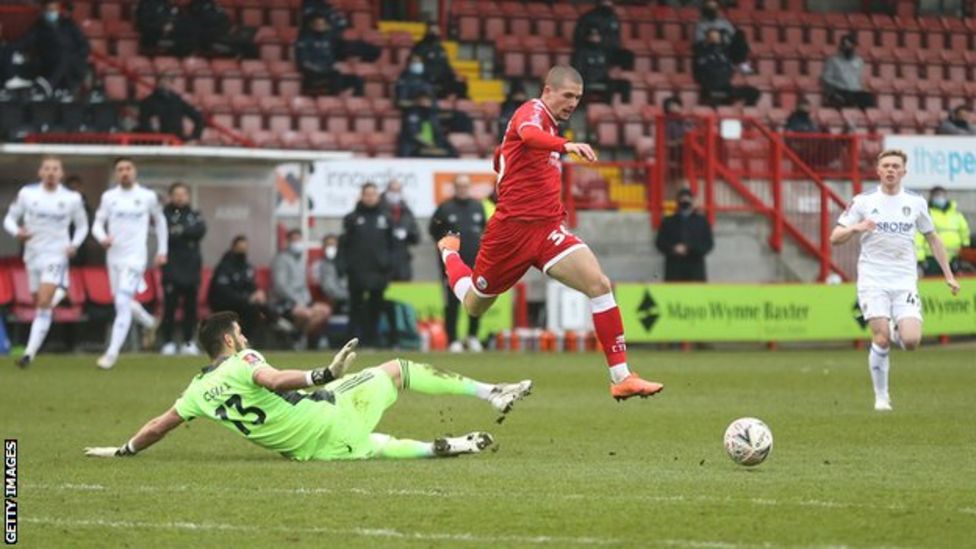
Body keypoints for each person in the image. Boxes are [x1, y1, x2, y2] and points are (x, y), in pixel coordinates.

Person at [436, 65, 663, 400]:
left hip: (547, 230)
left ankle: (621, 376)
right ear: (548, 91)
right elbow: (527, 135)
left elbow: (508, 156)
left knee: (599, 284)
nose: (573, 103)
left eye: (578, 98)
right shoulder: (531, 111)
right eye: (568, 95)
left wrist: (508, 160)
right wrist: (564, 145)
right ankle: (449, 253)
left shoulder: (550, 126)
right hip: (509, 234)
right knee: (473, 306)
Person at [83, 311, 534, 461]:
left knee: (374, 445)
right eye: (240, 332)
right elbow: (274, 379)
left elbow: (159, 426)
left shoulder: (196, 392)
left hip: (310, 453)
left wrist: (124, 450)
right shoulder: (243, 360)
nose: (246, 337)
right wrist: (323, 374)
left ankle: (440, 447)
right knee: (398, 368)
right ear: (228, 340)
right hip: (326, 411)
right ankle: (490, 391)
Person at [830, 149, 960, 412]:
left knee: (911, 341)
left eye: (895, 166)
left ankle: (899, 329)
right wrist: (856, 228)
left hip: (904, 280)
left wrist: (948, 275)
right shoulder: (863, 201)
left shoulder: (916, 202)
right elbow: (835, 237)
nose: (890, 170)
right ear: (878, 171)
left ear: (904, 171)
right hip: (873, 279)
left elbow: (932, 238)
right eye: (886, 165)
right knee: (880, 337)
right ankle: (882, 397)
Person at [3, 156, 88, 368]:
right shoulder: (27, 194)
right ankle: (63, 288)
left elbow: (82, 226)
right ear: (40, 172)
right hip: (32, 255)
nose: (51, 172)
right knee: (39, 301)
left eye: (55, 169)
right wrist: (17, 232)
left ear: (61, 174)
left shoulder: (72, 198)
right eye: (47, 168)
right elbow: (9, 220)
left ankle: (28, 355)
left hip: (56, 255)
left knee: (42, 303)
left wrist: (74, 244)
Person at [91, 157, 168, 370]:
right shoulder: (109, 197)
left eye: (128, 168)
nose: (124, 172)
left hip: (136, 259)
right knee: (121, 301)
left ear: (135, 172)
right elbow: (97, 224)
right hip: (114, 257)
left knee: (122, 304)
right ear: (116, 174)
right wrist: (102, 237)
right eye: (120, 169)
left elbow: (160, 222)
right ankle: (150, 322)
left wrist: (162, 250)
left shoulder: (147, 196)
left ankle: (111, 354)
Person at [429, 175, 487, 353]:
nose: (463, 189)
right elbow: (433, 230)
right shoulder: (445, 208)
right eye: (459, 186)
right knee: (452, 303)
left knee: (477, 300)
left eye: (466, 186)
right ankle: (453, 339)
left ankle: (472, 336)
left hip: (475, 263)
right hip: (453, 266)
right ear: (454, 188)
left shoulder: (478, 207)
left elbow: (484, 230)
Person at [340, 183, 394, 347]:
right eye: (367, 194)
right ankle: (351, 340)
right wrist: (343, 265)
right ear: (361, 196)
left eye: (373, 194)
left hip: (378, 272)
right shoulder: (352, 218)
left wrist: (389, 265)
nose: (370, 197)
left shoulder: (386, 218)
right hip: (357, 271)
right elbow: (344, 245)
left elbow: (392, 245)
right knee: (356, 306)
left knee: (375, 307)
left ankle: (373, 340)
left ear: (378, 197)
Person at [159, 182, 206, 356]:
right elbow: (166, 234)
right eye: (176, 194)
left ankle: (188, 341)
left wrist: (180, 231)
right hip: (171, 267)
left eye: (183, 194)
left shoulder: (194, 214)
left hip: (192, 268)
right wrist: (183, 232)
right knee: (170, 307)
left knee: (190, 308)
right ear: (170, 196)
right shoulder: (164, 214)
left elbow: (200, 231)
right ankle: (168, 342)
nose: (180, 197)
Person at [208, 235, 275, 343]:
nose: (243, 251)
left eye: (245, 248)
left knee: (263, 307)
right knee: (251, 309)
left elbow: (251, 285)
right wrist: (247, 298)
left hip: (243, 302)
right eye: (240, 248)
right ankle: (243, 341)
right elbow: (224, 293)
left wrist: (257, 293)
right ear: (234, 248)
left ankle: (278, 331)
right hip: (224, 303)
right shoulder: (224, 267)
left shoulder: (247, 267)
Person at [271, 229, 331, 348]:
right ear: (287, 242)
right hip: (285, 302)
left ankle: (300, 335)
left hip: (303, 301)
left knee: (325, 310)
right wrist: (296, 301)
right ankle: (297, 337)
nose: (297, 243)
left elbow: (303, 285)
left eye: (299, 240)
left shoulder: (302, 260)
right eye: (294, 240)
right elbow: (280, 286)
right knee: (306, 314)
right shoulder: (281, 259)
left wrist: (307, 301)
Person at [19, 1, 90, 97]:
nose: (51, 12)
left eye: (53, 10)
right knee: (63, 56)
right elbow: (25, 41)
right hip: (49, 60)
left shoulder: (69, 24)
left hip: (74, 61)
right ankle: (64, 91)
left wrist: (75, 56)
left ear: (58, 10)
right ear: (44, 11)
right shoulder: (39, 26)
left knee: (65, 56)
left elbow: (84, 46)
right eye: (49, 10)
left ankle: (48, 85)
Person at [294, 14, 363, 96]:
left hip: (330, 74)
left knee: (357, 80)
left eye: (323, 25)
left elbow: (341, 29)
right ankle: (333, 101)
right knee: (334, 76)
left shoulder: (328, 41)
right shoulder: (305, 41)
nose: (321, 27)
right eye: (318, 25)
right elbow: (303, 63)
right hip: (313, 77)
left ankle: (356, 104)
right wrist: (321, 70)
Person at [654, 188, 714, 282]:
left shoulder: (701, 221)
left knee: (695, 295)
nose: (685, 203)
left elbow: (708, 244)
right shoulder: (668, 221)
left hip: (695, 268)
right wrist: (674, 248)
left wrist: (689, 247)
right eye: (682, 200)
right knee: (674, 296)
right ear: (677, 202)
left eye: (687, 200)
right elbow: (659, 242)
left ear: (692, 202)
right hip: (674, 268)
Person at [693, 29, 759, 107]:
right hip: (710, 90)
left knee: (754, 93)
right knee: (717, 97)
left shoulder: (726, 53)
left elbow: (742, 65)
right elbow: (698, 74)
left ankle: (746, 114)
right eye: (712, 37)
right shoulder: (702, 53)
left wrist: (746, 70)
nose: (715, 39)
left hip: (726, 89)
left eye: (717, 37)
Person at [915, 186, 971, 276]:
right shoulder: (927, 214)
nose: (940, 198)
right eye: (937, 196)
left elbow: (964, 232)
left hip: (953, 258)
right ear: (931, 197)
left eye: (941, 195)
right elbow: (919, 237)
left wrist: (964, 249)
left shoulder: (956, 214)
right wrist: (920, 259)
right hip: (932, 258)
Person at [138, 73, 205, 142]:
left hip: (177, 141)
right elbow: (144, 123)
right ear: (157, 83)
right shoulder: (148, 102)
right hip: (158, 143)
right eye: (163, 81)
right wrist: (155, 139)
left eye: (169, 81)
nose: (165, 83)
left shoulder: (178, 100)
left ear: (172, 84)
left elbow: (198, 117)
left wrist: (194, 137)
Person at [571, 27, 631, 104]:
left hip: (603, 78)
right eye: (592, 36)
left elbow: (608, 66)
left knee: (625, 84)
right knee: (609, 85)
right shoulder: (581, 52)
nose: (595, 38)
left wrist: (610, 72)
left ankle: (624, 107)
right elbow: (578, 69)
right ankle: (606, 106)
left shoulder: (603, 51)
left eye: (597, 36)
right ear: (587, 37)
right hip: (587, 79)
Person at [573, 0, 634, 71]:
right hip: (595, 49)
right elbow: (579, 37)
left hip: (611, 49)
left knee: (627, 55)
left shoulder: (613, 17)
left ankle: (621, 76)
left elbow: (616, 37)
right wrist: (591, 39)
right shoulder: (588, 17)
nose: (608, 3)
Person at [410, 24, 467, 99]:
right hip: (428, 78)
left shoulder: (440, 48)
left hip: (443, 79)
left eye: (436, 31)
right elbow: (415, 66)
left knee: (461, 84)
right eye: (432, 31)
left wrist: (455, 75)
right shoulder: (420, 46)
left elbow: (447, 65)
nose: (435, 33)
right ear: (427, 32)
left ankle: (454, 103)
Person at [693, 0, 751, 72]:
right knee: (714, 34)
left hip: (727, 46)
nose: (713, 9)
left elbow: (733, 36)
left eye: (715, 7)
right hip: (712, 49)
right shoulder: (701, 25)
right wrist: (710, 38)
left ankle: (741, 63)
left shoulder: (724, 23)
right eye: (710, 7)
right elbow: (699, 44)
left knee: (740, 34)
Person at [821, 34, 875, 110]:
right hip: (841, 90)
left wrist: (860, 87)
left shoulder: (859, 61)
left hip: (855, 91)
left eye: (852, 45)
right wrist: (839, 85)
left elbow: (859, 78)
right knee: (842, 100)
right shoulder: (833, 60)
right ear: (842, 46)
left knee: (868, 98)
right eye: (847, 45)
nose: (850, 48)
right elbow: (826, 78)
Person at [397, 91, 456, 158]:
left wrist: (438, 144)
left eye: (428, 100)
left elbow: (438, 132)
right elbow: (413, 133)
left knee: (451, 152)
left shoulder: (432, 114)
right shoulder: (413, 114)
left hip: (432, 144)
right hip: (415, 145)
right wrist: (427, 143)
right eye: (423, 100)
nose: (426, 103)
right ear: (417, 101)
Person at [383, 180, 420, 282]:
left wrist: (407, 234)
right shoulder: (379, 209)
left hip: (402, 260)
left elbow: (416, 237)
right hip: (384, 260)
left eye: (397, 191)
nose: (395, 194)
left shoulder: (406, 211)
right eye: (392, 190)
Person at [316, 233, 348, 313]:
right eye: (328, 245)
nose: (331, 247)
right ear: (324, 247)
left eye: (333, 245)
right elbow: (329, 288)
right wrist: (348, 296)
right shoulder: (323, 265)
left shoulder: (345, 262)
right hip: (337, 302)